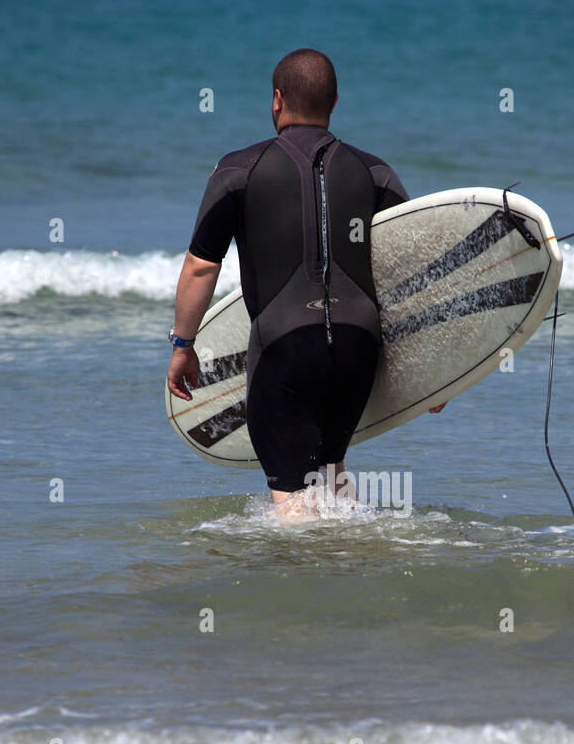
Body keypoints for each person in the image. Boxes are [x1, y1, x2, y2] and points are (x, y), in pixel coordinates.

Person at [167, 48, 442, 521]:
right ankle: (365, 567)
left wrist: (183, 345)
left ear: (276, 101)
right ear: (334, 101)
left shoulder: (238, 172)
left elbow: (200, 267)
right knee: (331, 474)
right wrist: (435, 370)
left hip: (284, 351)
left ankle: (312, 591)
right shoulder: (375, 172)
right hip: (359, 348)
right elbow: (412, 272)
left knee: (294, 499)